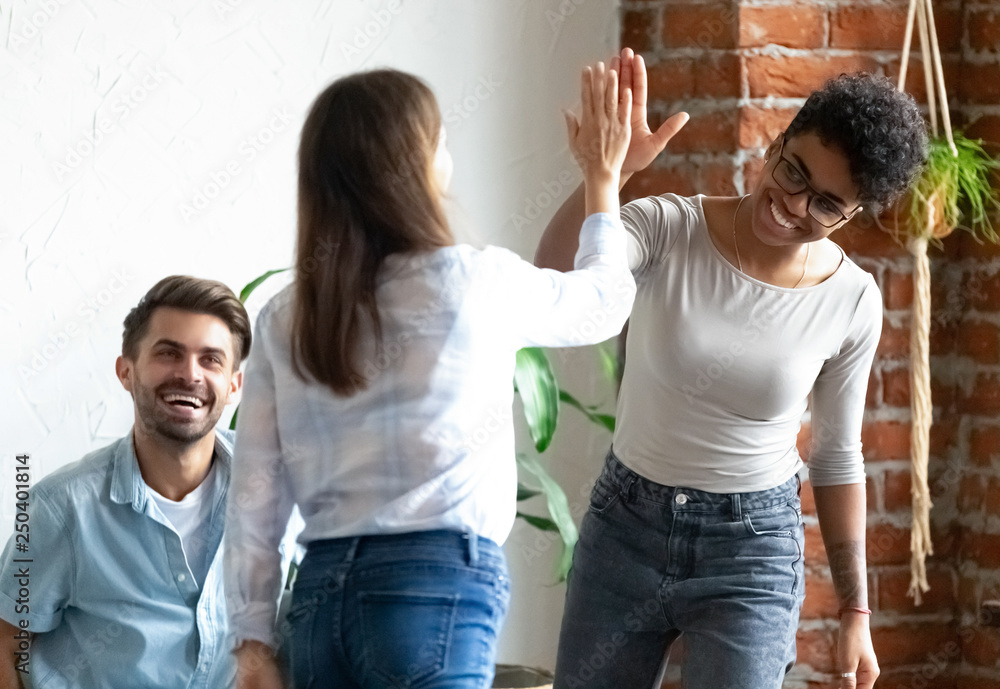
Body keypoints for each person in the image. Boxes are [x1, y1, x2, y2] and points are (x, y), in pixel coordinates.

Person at [224, 62, 636, 689]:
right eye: (439, 142)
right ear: (416, 164)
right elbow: (603, 301)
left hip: (316, 598)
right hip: (431, 587)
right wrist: (602, 179)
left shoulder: (287, 315)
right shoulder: (475, 282)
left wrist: (252, 643)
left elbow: (255, 494)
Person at [535, 48, 928, 689]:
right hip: (625, 528)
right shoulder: (669, 227)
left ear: (850, 215)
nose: (796, 205)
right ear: (778, 143)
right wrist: (602, 177)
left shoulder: (852, 300)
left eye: (827, 205)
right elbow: (555, 282)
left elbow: (836, 456)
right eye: (794, 172)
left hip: (750, 551)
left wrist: (856, 611)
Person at [0, 275, 252, 688]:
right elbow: (6, 641)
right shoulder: (59, 508)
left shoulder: (279, 485)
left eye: (211, 360)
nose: (190, 374)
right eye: (169, 353)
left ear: (233, 386)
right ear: (126, 371)